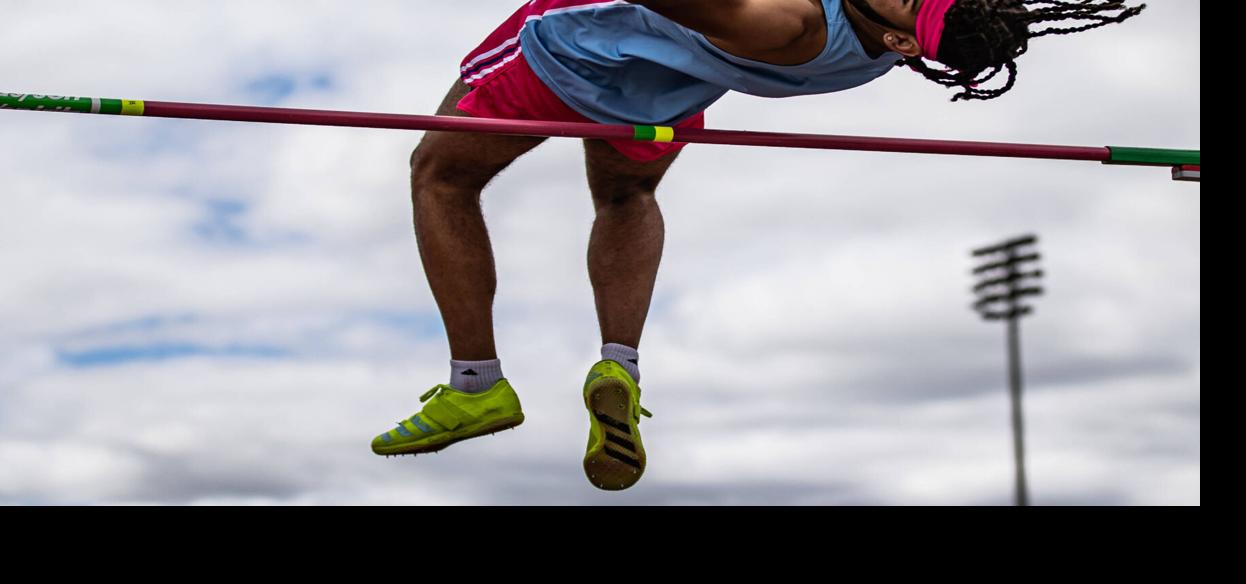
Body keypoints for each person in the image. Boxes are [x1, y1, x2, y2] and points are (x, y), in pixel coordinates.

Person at [370, 0, 1147, 491]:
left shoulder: (786, 22)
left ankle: (477, 386)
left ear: (904, 42)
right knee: (627, 193)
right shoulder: (871, 50)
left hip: (575, 52)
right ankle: (621, 366)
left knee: (440, 175)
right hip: (669, 87)